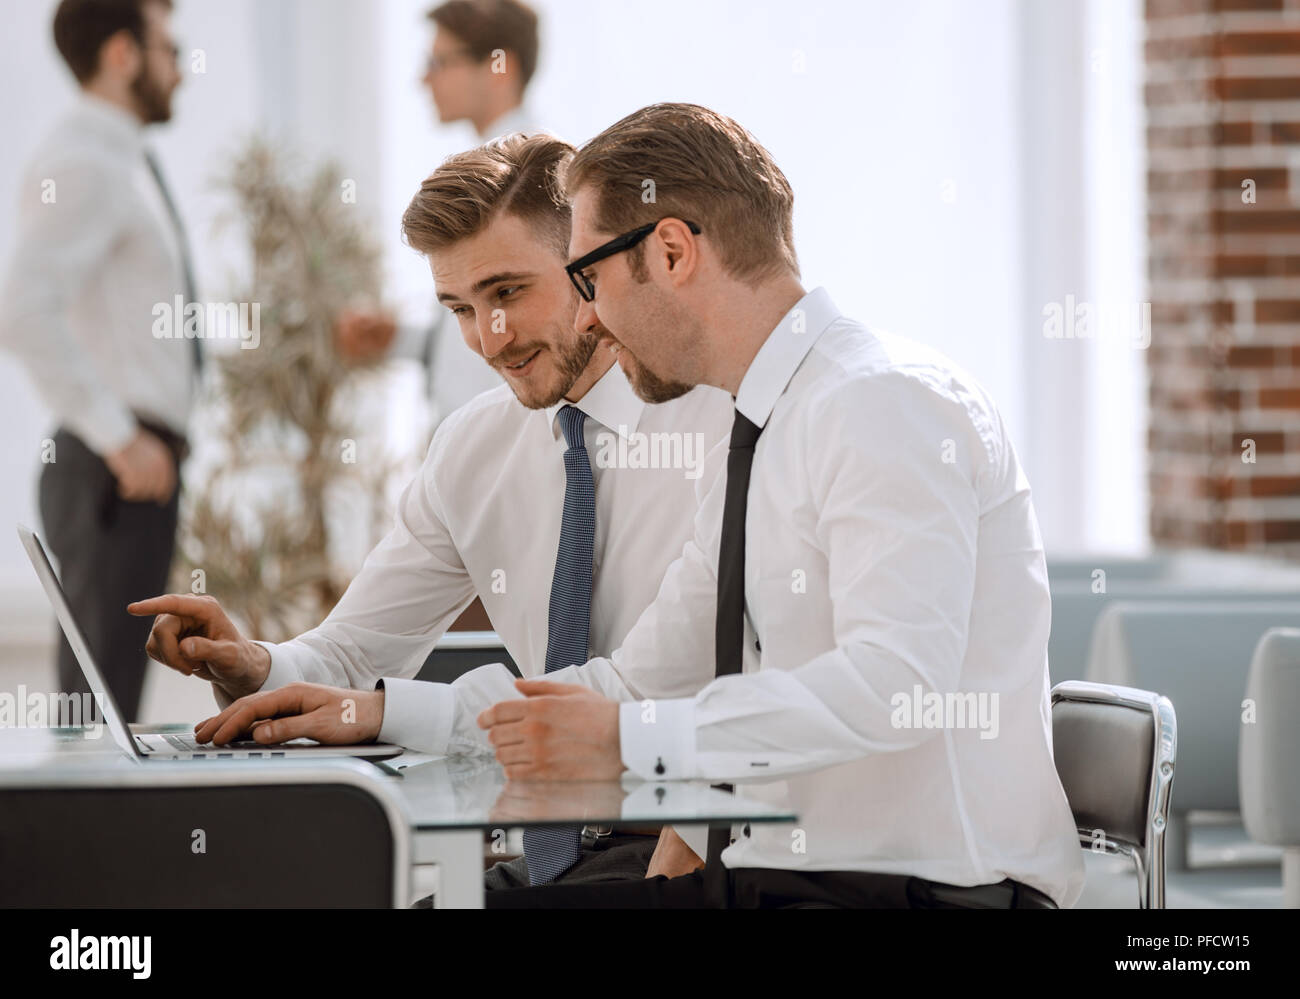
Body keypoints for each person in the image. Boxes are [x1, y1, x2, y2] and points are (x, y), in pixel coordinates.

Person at [199, 104, 1085, 909]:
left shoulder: (879, 401)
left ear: (670, 253)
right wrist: (387, 711)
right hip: (791, 879)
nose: (587, 316)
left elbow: (900, 684)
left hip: (922, 891)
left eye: (586, 276)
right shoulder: (769, 427)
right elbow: (633, 681)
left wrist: (633, 740)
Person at [130, 133, 734, 890]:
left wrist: (382, 711)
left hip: (685, 853)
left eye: (508, 292)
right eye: (461, 308)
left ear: (589, 269)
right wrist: (262, 665)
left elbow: (652, 691)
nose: (490, 338)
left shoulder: (716, 427)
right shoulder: (474, 447)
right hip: (548, 853)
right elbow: (356, 653)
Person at [0, 0, 194, 722]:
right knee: (98, 719)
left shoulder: (119, 158)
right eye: (169, 47)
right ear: (123, 54)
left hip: (128, 470)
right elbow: (20, 310)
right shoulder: (84, 161)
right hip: (113, 472)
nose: (182, 69)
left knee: (109, 711)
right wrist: (119, 436)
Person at [337, 0, 544, 426]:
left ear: (499, 67)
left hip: (503, 447)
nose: (423, 78)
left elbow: (533, 327)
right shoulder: (490, 172)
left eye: (439, 61)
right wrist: (402, 341)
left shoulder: (528, 182)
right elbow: (490, 325)